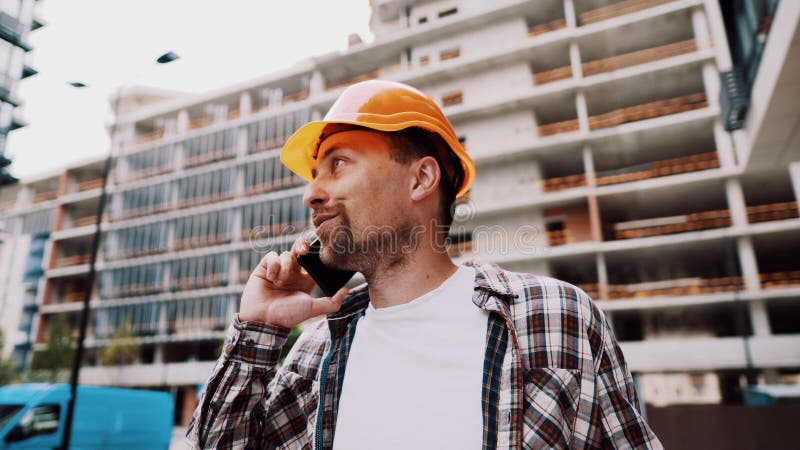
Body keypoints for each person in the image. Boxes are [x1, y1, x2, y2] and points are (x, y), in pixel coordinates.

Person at [186, 80, 662, 449]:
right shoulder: (314, 354)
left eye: (338, 164)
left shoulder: (557, 320)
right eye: (315, 175)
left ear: (421, 179)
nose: (311, 192)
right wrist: (257, 329)